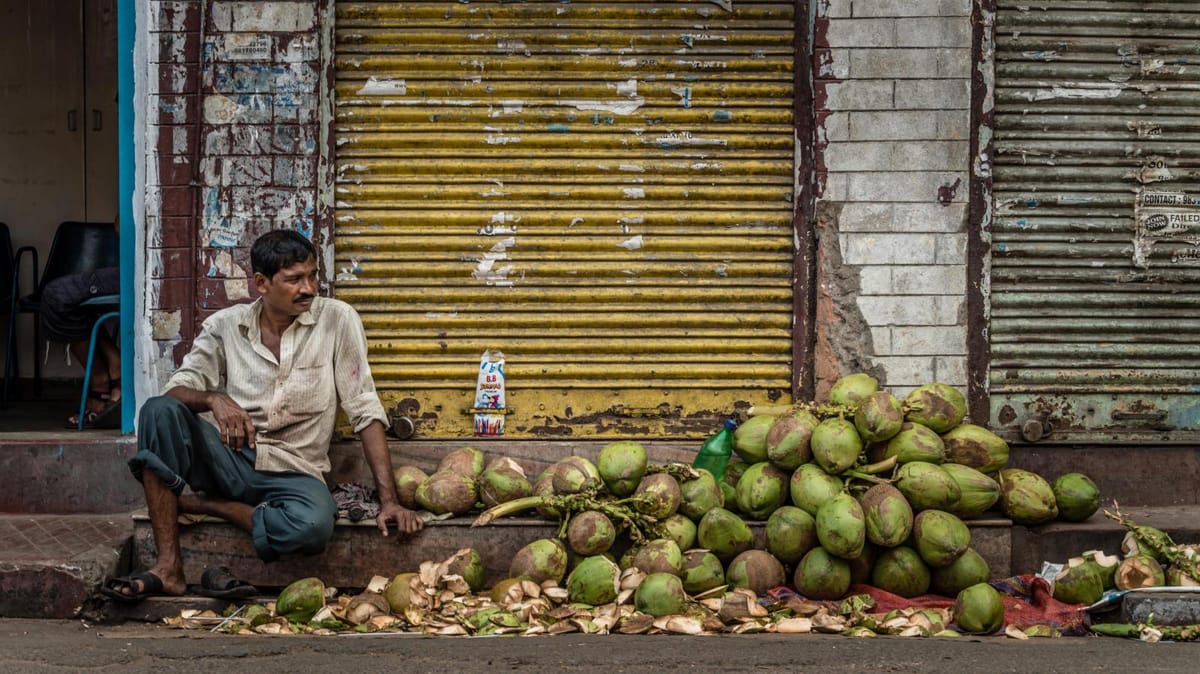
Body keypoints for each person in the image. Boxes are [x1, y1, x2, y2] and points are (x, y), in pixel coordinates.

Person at [102, 229, 423, 602]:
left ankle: (206, 506)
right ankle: (169, 567)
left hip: (295, 470)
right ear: (261, 283)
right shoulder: (226, 326)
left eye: (313, 275)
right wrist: (214, 399)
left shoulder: (337, 320)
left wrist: (389, 501)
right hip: (230, 458)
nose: (309, 288)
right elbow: (176, 389)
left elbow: (365, 409)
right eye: (294, 279)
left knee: (314, 527)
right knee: (158, 411)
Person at [40, 266, 122, 428]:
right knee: (57, 296)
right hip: (121, 267)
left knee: (57, 296)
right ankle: (114, 364)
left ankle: (101, 379)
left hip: (140, 268)